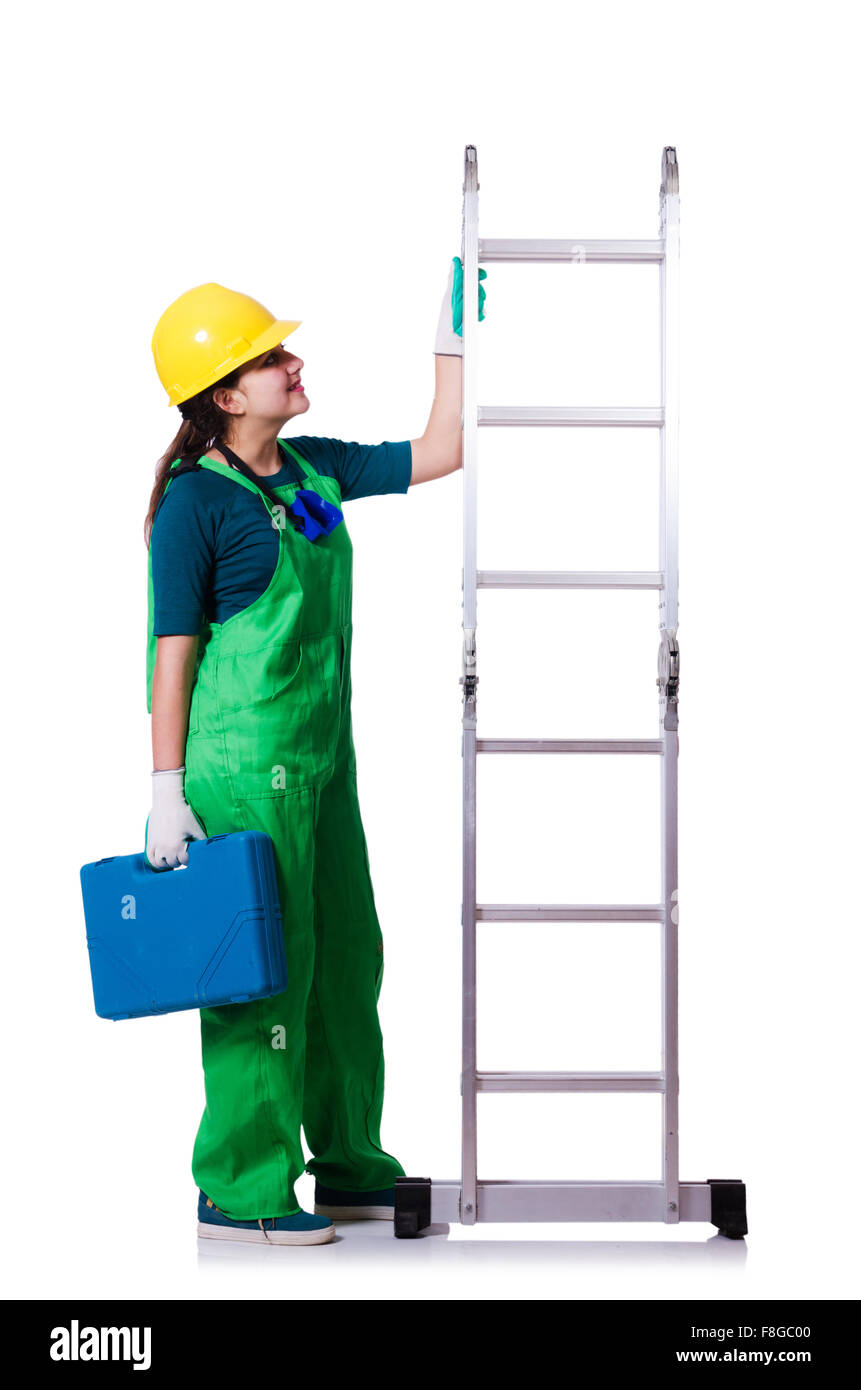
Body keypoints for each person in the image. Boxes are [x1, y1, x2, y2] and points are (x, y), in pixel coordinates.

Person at [144, 263, 485, 1246]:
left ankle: (348, 1165)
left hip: (322, 763)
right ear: (223, 394)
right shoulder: (192, 506)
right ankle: (242, 1185)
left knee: (344, 957)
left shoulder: (312, 468)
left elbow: (443, 447)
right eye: (271, 358)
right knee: (263, 974)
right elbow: (173, 656)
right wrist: (166, 789)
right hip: (243, 774)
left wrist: (450, 345)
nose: (295, 365)